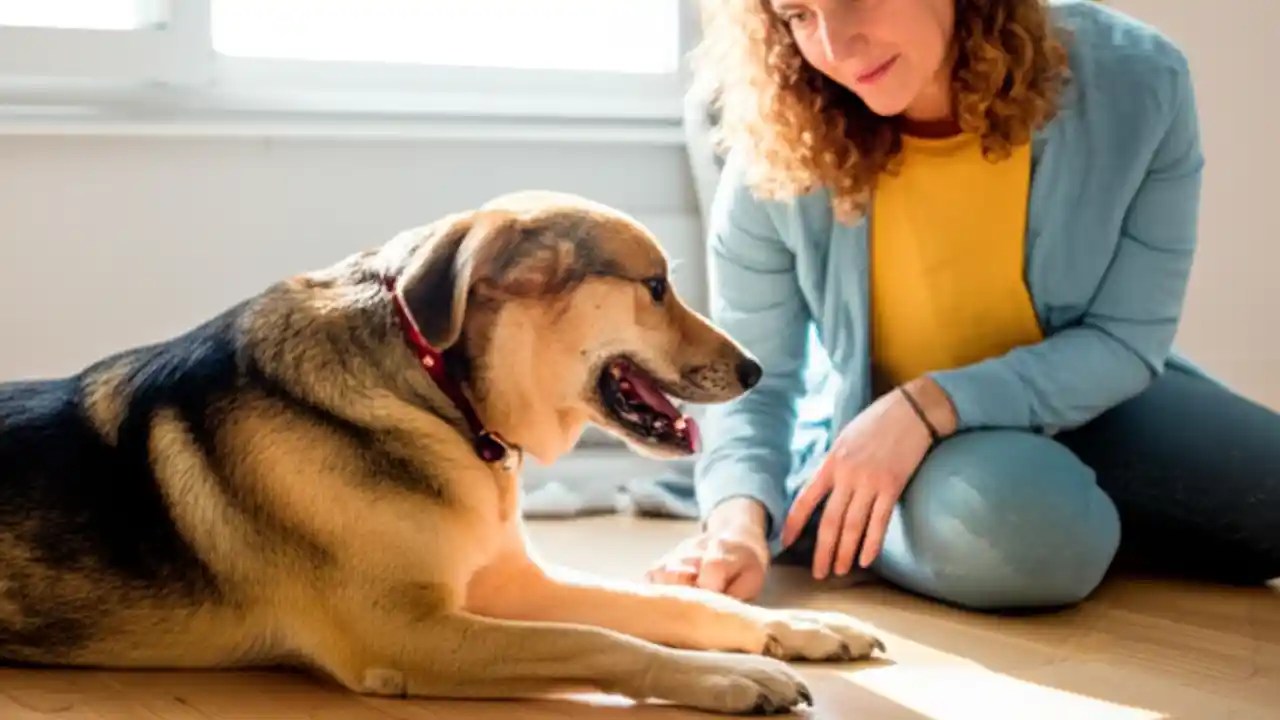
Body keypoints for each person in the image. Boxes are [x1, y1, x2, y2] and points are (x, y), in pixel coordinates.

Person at [646, 0, 1280, 611]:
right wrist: (736, 524)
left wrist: (930, 404)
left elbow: (1125, 338)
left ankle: (1081, 510)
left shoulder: (1137, 81)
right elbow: (758, 382)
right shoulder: (778, 149)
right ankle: (940, 513)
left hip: (1094, 402)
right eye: (799, 16)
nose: (834, 48)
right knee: (1038, 536)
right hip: (896, 443)